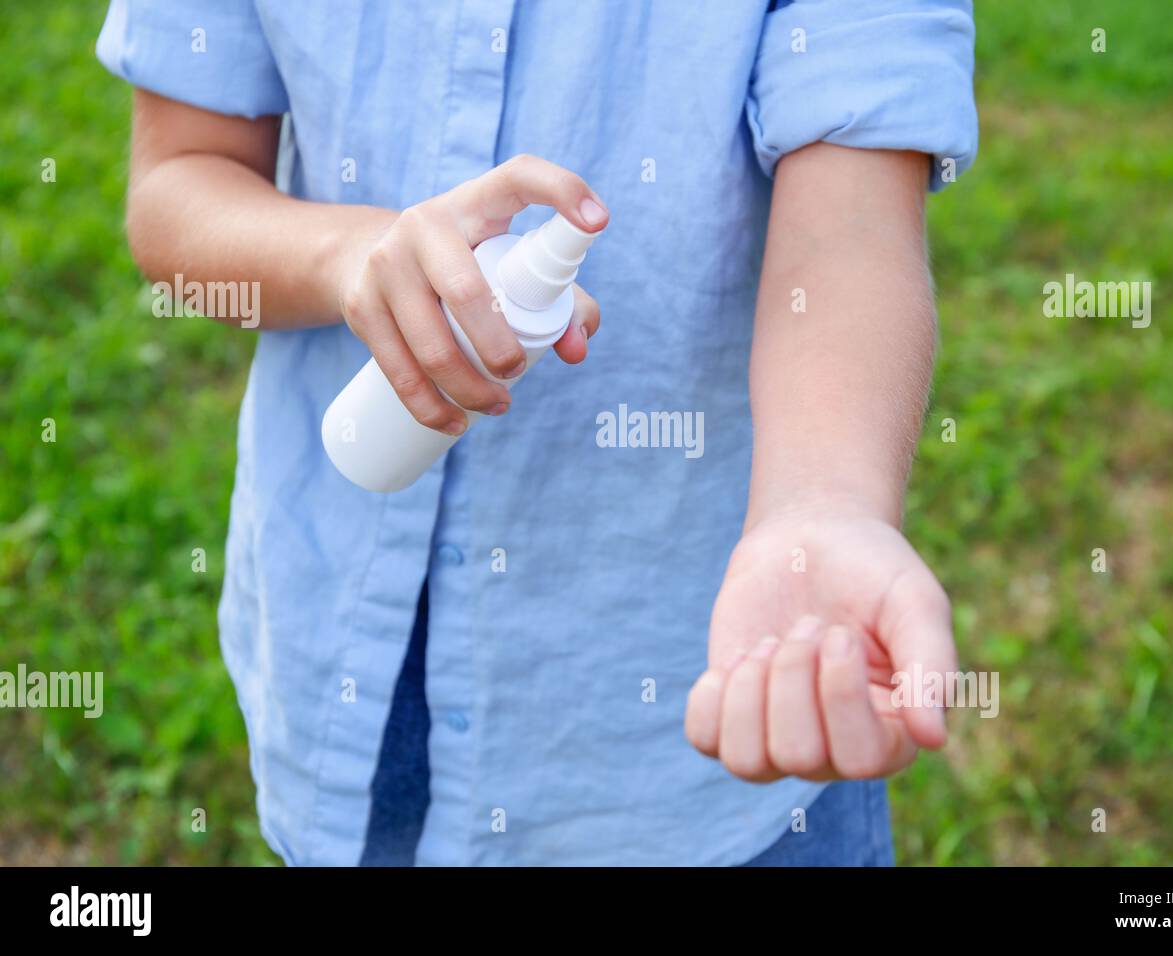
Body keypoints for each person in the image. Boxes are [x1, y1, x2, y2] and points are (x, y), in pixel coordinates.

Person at [96, 0, 977, 865]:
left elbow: (851, 231)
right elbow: (182, 177)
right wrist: (356, 258)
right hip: (355, 658)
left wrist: (820, 507)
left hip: (706, 675)